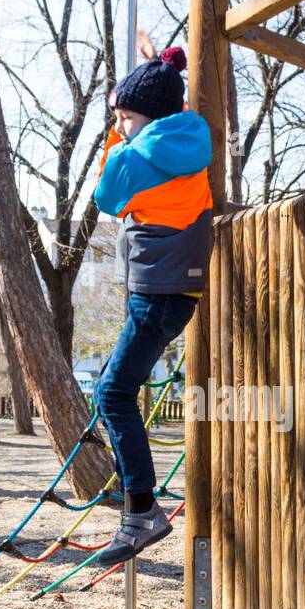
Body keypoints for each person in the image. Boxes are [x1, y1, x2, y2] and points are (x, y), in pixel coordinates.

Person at [91, 45, 212, 566]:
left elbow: (105, 198)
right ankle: (136, 498)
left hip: (155, 295)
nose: (121, 125)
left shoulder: (138, 155)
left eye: (126, 117)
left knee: (112, 394)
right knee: (115, 389)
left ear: (148, 116)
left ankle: (141, 510)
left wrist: (116, 141)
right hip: (175, 292)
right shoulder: (189, 140)